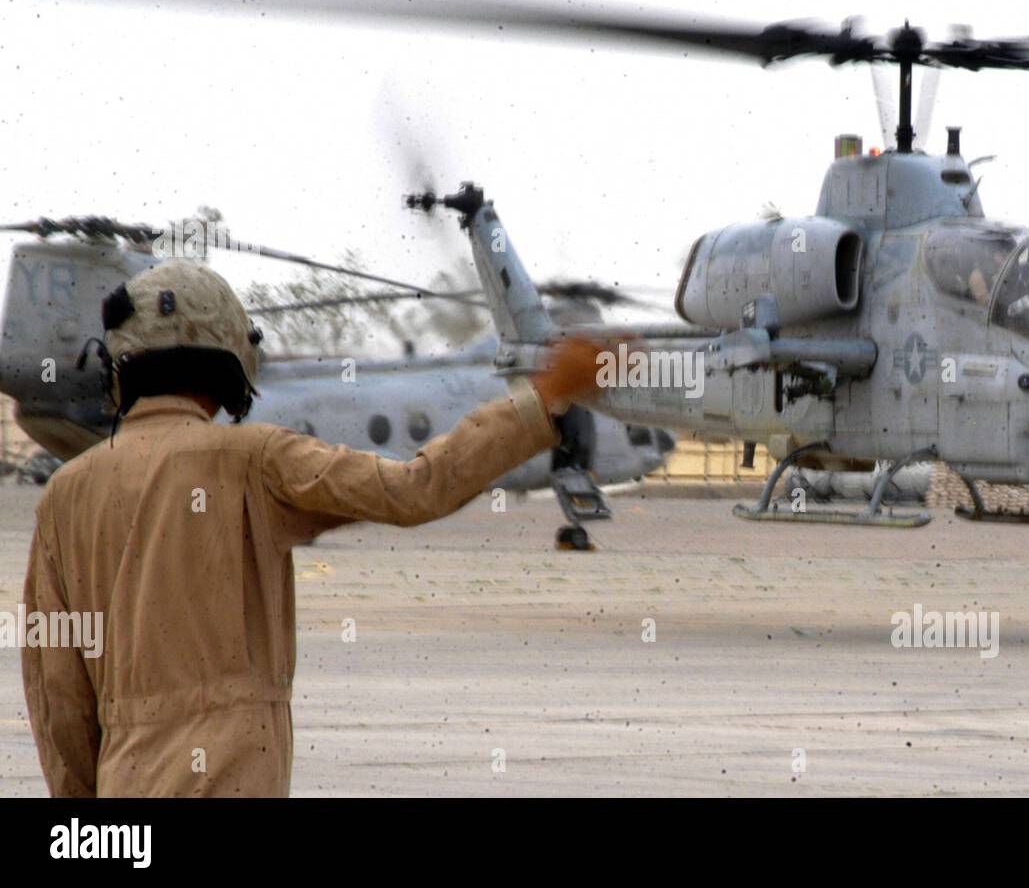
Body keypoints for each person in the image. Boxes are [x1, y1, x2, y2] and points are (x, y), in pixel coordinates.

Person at [21, 260, 603, 797]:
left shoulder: (65, 495)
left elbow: (58, 693)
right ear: (226, 352)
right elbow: (415, 490)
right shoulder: (255, 459)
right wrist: (543, 399)